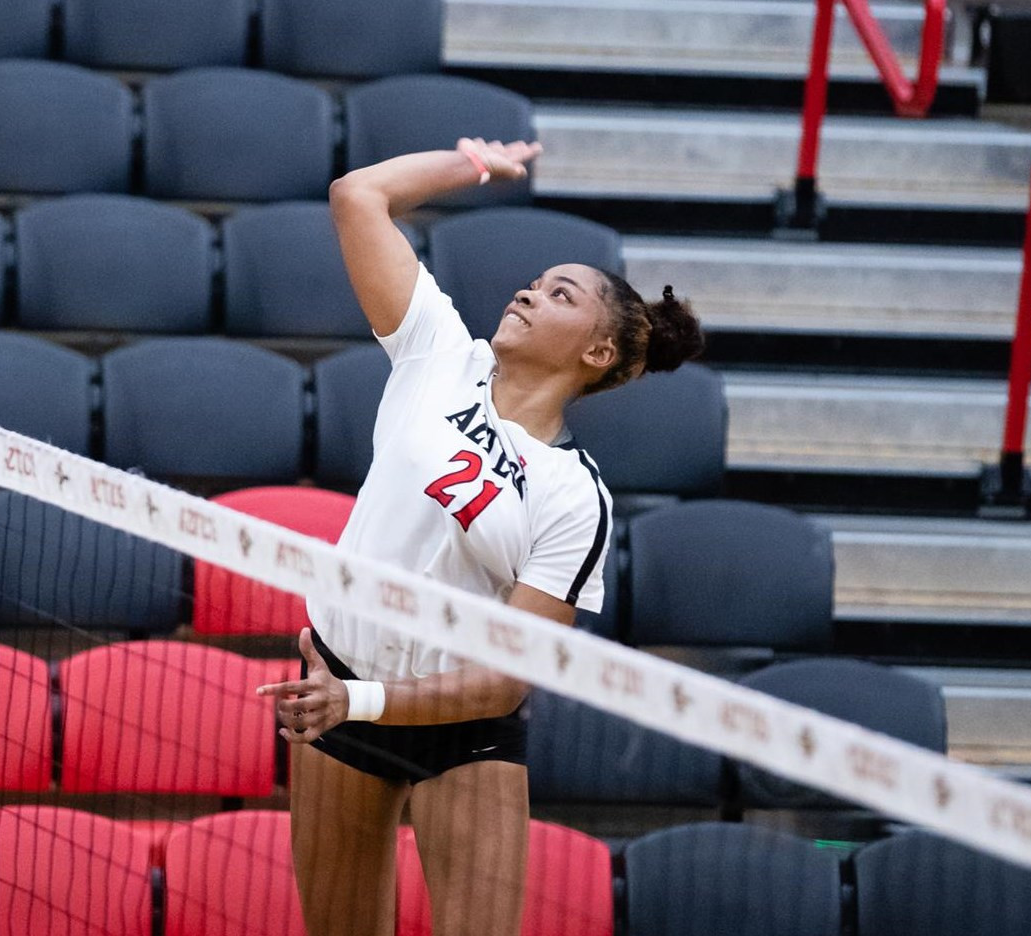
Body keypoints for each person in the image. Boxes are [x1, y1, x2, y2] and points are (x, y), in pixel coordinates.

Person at [258, 138, 704, 936]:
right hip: (340, 692)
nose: (529, 294)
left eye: (559, 294)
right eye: (533, 283)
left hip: (454, 727)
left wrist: (355, 701)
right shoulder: (438, 355)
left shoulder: (576, 498)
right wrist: (469, 163)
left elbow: (503, 682)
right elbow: (357, 195)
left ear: (597, 352)